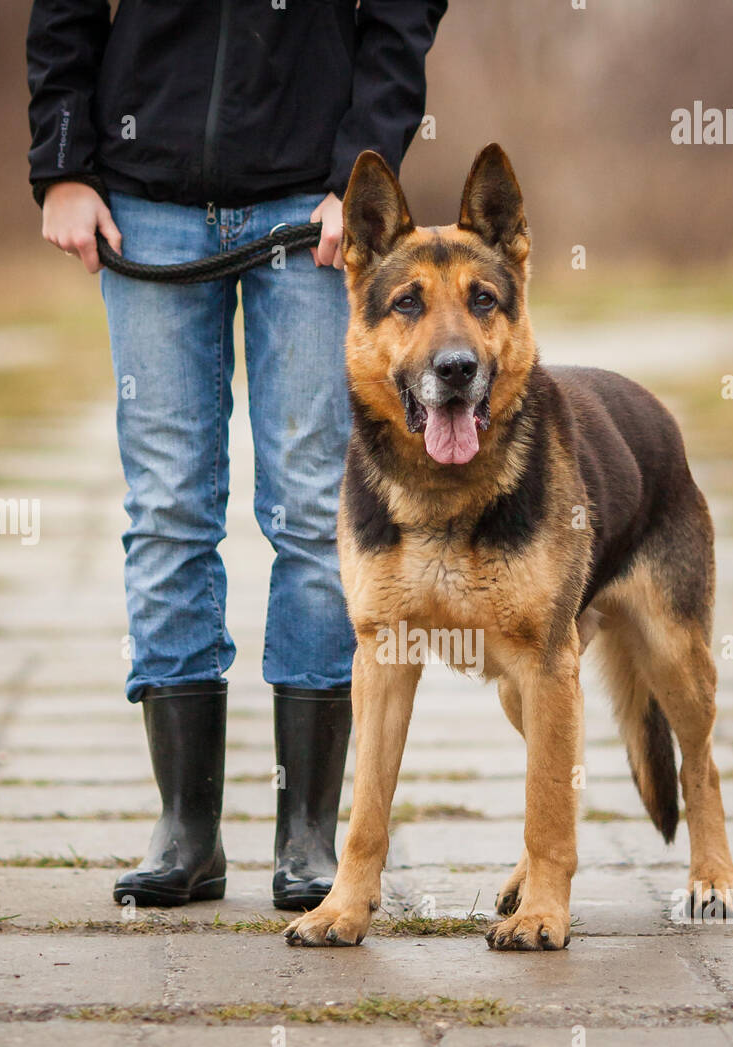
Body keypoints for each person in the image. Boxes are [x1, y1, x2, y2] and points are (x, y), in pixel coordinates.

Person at [26, 0, 447, 910]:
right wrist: (62, 161)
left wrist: (361, 171)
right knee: (168, 505)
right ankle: (186, 828)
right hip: (143, 199)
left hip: (312, 204)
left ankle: (308, 834)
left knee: (309, 507)